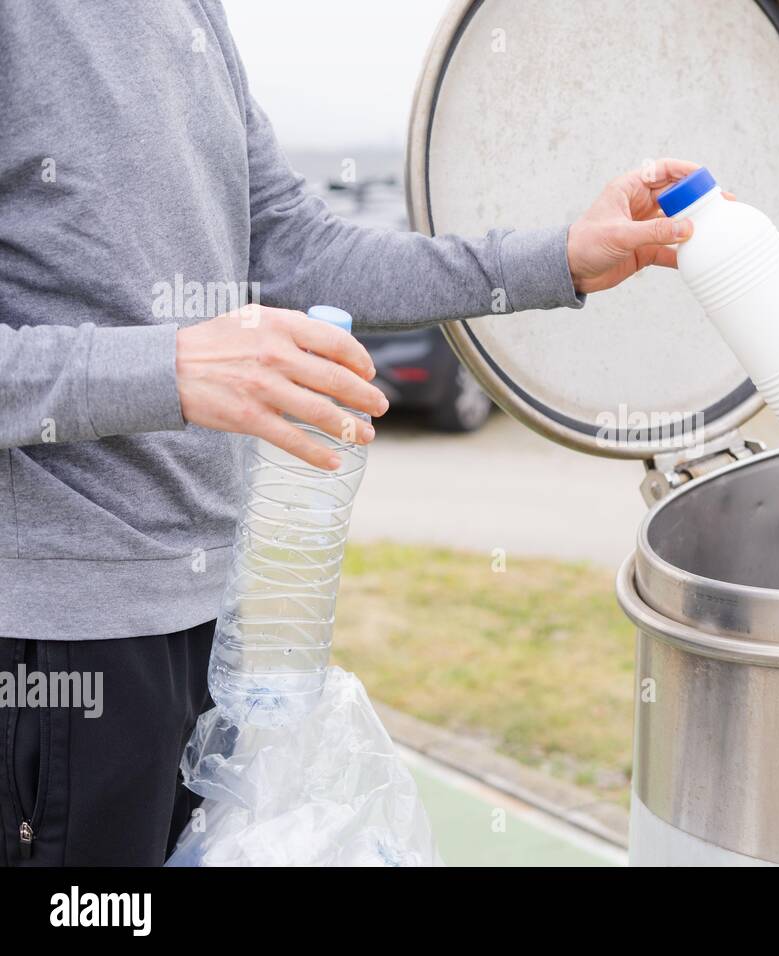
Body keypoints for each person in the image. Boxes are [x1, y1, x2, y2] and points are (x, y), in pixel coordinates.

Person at [0, 0, 699, 865]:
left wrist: (558, 256)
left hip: (213, 628)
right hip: (58, 644)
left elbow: (299, 247)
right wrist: (174, 368)